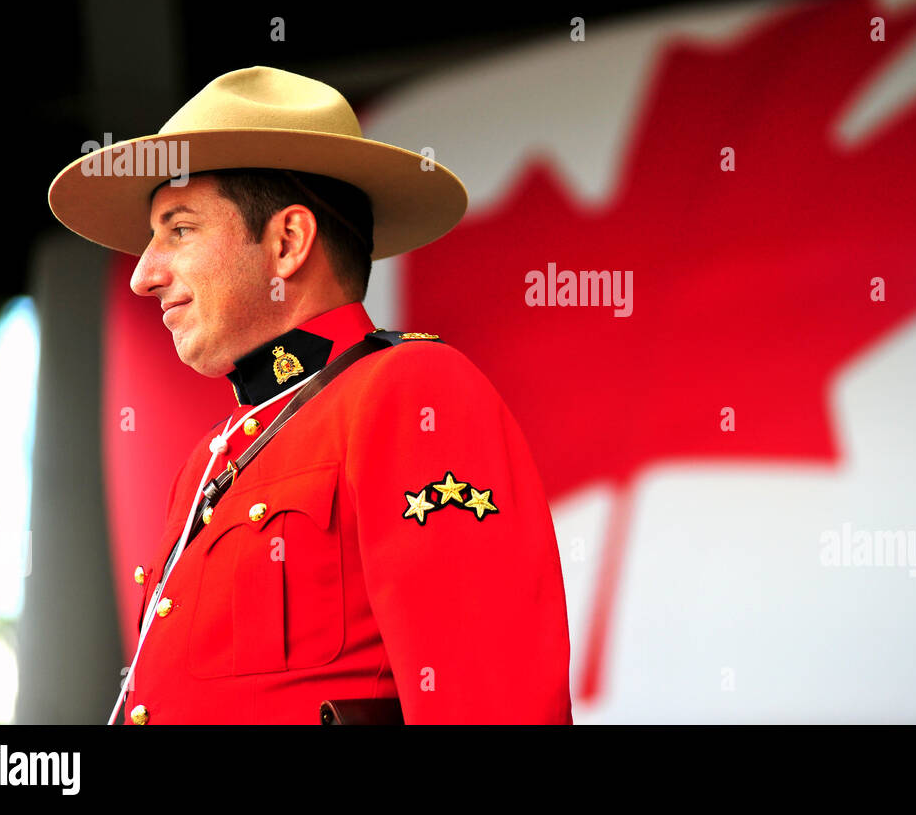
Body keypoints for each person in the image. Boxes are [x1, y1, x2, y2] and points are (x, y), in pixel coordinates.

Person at [47, 66, 573, 724]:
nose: (144, 275)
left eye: (177, 230)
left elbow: (494, 707)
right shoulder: (212, 459)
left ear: (289, 241)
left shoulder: (413, 391)